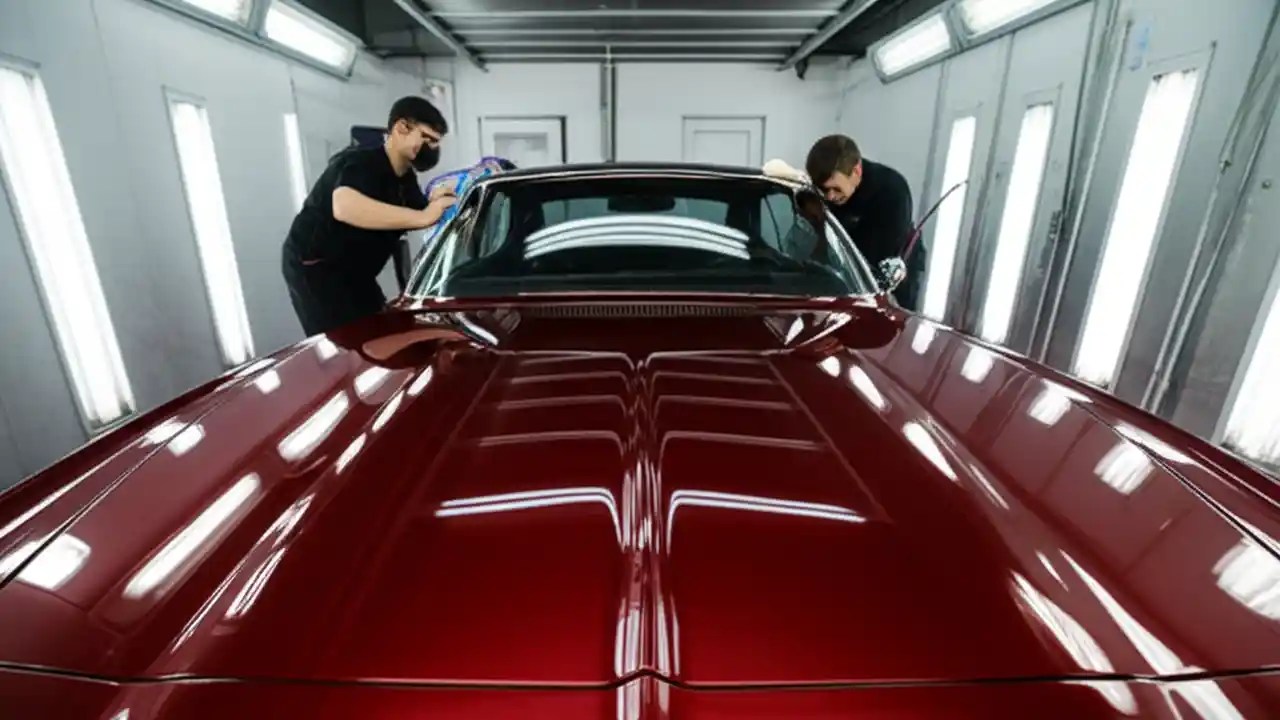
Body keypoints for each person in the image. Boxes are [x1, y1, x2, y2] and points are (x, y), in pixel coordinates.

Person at [281, 96, 458, 337]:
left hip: (356, 271)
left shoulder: (405, 179)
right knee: (343, 341)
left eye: (436, 143)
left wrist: (438, 201)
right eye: (426, 138)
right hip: (316, 267)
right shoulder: (360, 161)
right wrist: (424, 216)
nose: (431, 149)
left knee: (378, 328)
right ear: (401, 128)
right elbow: (345, 207)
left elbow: (417, 211)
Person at [805, 135, 927, 311]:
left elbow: (881, 255)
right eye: (824, 189)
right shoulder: (824, 192)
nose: (830, 196)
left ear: (857, 171)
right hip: (846, 264)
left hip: (895, 266)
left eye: (836, 188)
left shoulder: (891, 190)